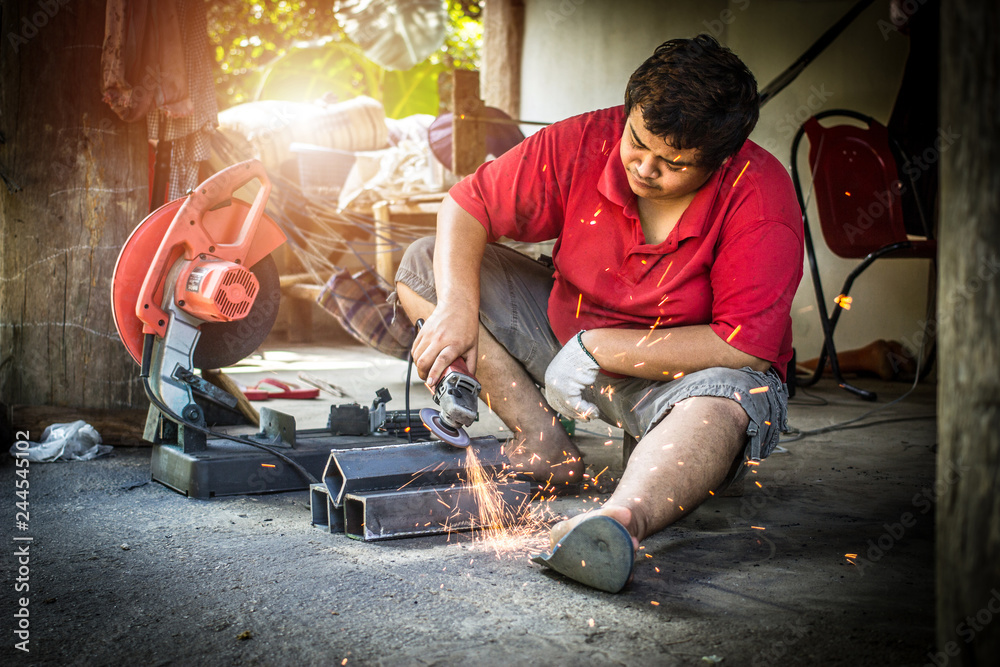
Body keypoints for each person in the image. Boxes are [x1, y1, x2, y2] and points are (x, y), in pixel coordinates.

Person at [393, 34, 803, 593]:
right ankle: (543, 444)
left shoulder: (760, 197)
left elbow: (744, 347)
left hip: (686, 379)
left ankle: (616, 522)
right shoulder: (589, 138)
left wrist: (598, 348)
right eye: (638, 142)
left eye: (674, 163)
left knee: (729, 398)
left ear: (721, 158)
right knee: (425, 265)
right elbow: (467, 205)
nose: (645, 168)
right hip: (564, 338)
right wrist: (459, 309)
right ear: (628, 112)